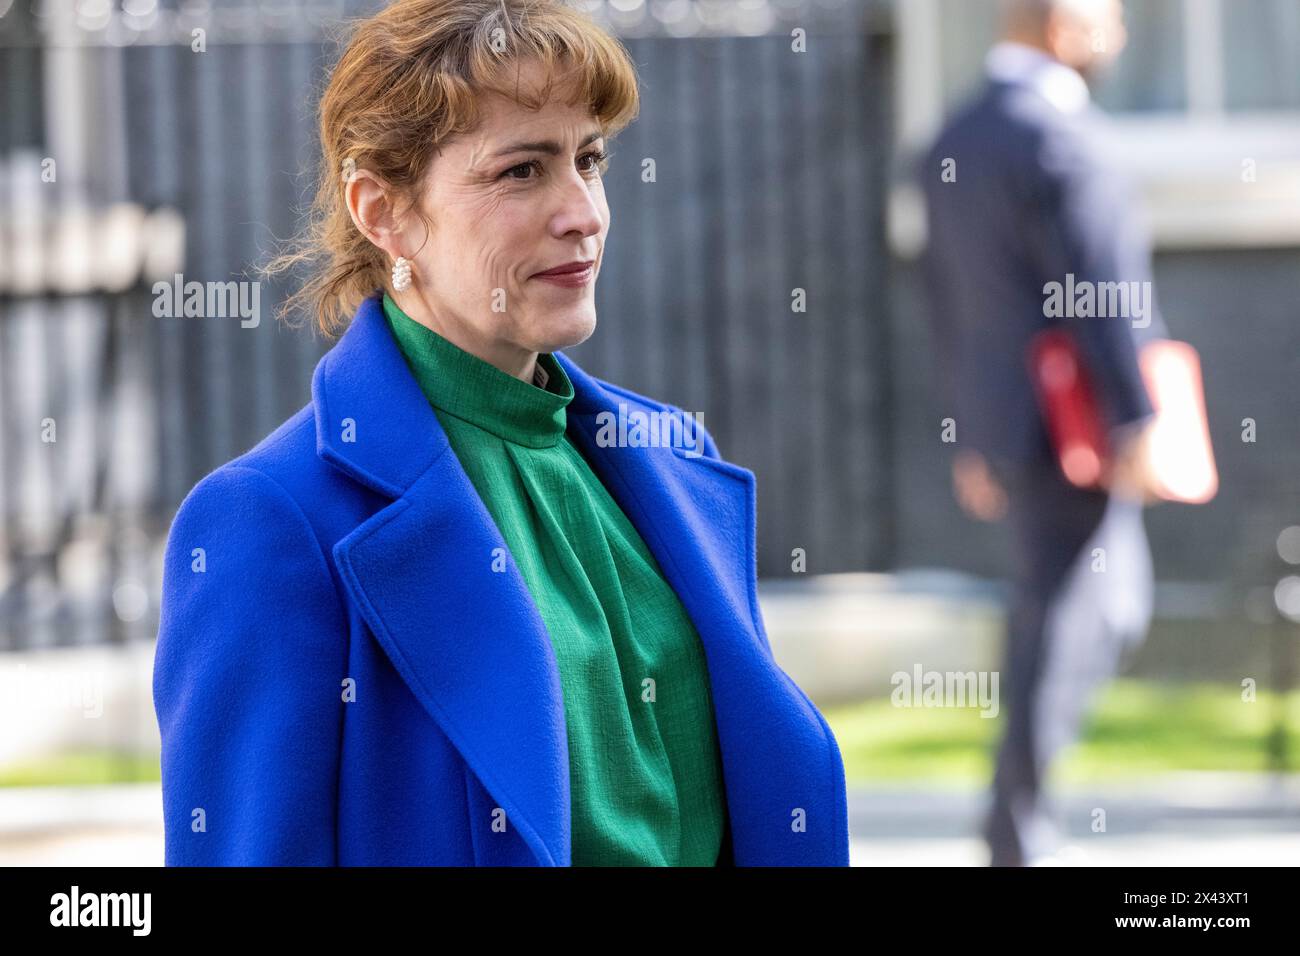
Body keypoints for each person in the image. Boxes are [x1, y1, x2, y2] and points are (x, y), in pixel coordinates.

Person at [152, 0, 849, 867]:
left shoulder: (670, 457)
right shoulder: (271, 522)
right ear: (384, 211)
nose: (582, 212)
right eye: (522, 171)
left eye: (588, 159)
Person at [919, 0, 1168, 865]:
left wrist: (973, 435)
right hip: (1079, 429)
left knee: (1095, 604)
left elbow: (950, 305)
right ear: (1062, 23)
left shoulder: (953, 139)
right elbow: (1105, 291)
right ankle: (1016, 824)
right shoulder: (1063, 134)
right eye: (1109, 14)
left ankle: (1016, 815)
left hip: (1013, 428)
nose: (1122, 32)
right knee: (1072, 615)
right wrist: (1139, 417)